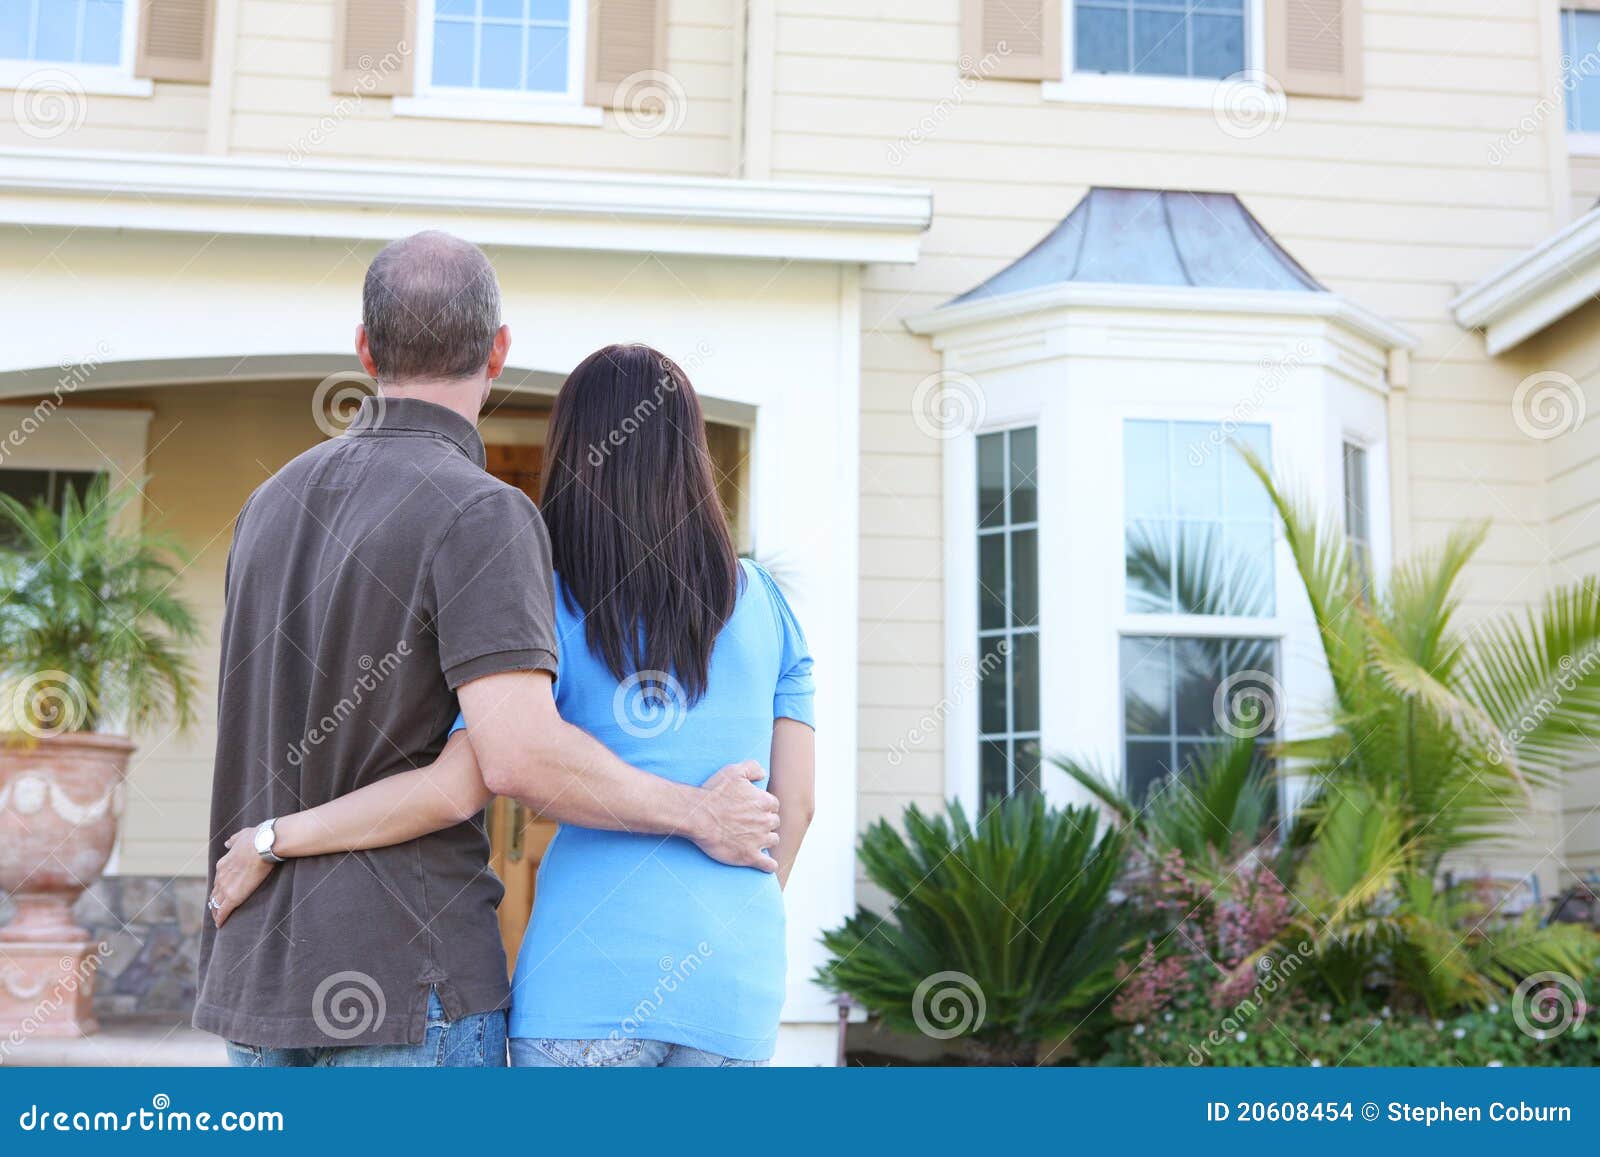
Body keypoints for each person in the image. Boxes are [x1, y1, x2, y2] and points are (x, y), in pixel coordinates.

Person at [196, 234, 784, 1067]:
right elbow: (512, 758)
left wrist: (267, 839)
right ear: (499, 351)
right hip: (408, 977)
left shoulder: (266, 502)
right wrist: (698, 812)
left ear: (364, 348)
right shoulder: (483, 513)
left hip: (259, 974)